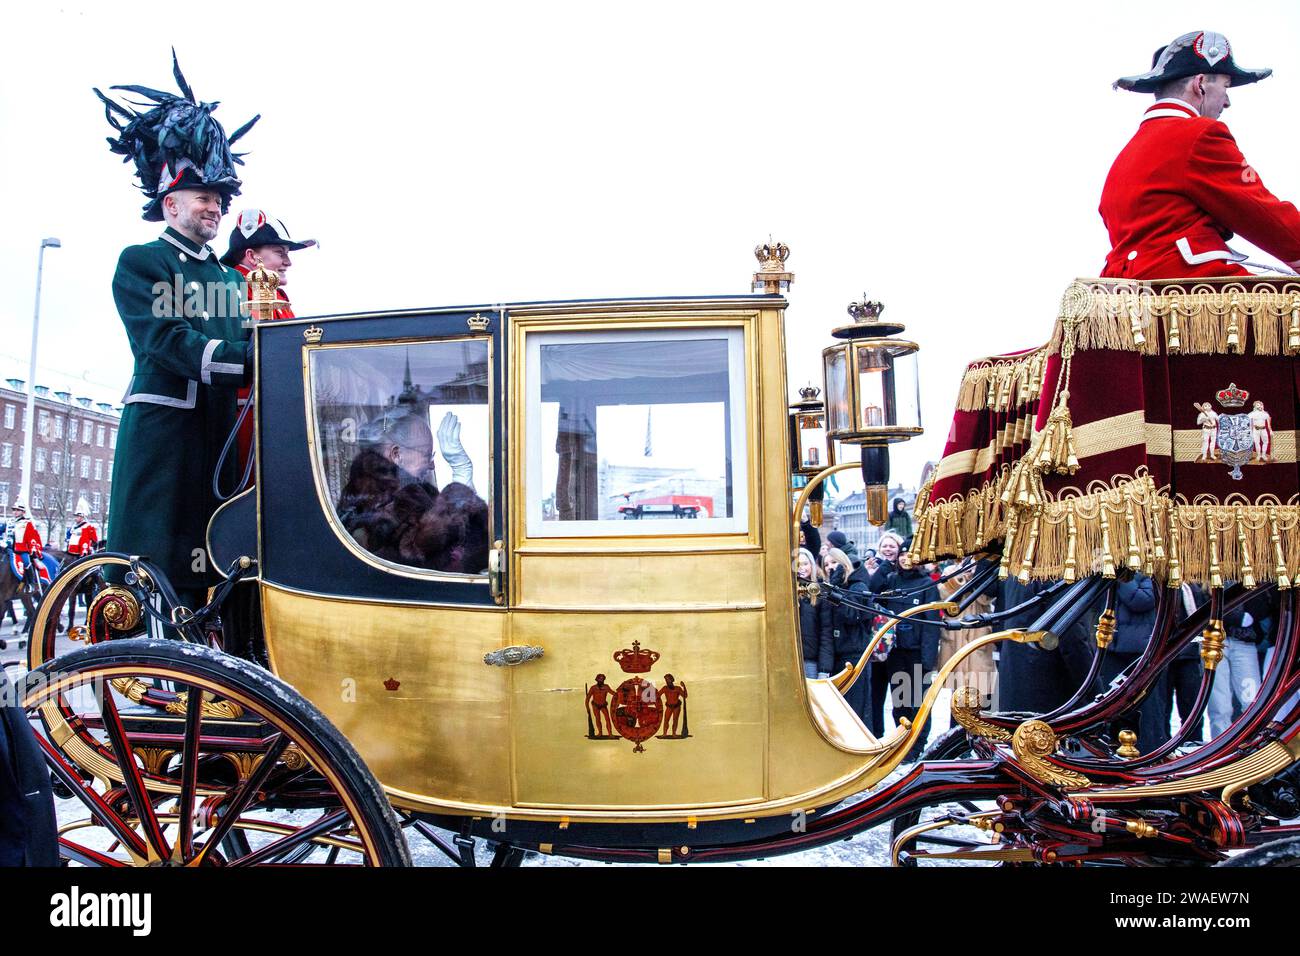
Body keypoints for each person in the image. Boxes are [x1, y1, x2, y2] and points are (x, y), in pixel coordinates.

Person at [95, 56, 258, 618]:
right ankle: (141, 671)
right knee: (152, 562)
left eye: (219, 197)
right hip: (164, 435)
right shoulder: (143, 261)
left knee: (208, 560)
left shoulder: (225, 279)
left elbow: (248, 341)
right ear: (171, 202)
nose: (214, 205)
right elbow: (166, 340)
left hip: (217, 433)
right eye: (202, 196)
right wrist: (249, 361)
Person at [1102, 31, 1300, 279]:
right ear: (1200, 84)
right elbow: (1262, 211)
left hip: (1124, 286)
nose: (1227, 102)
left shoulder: (1129, 152)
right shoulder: (1200, 135)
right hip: (1183, 281)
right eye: (1226, 87)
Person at [336, 407, 489, 573]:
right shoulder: (385, 506)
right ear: (396, 455)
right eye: (426, 455)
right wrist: (461, 479)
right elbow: (437, 556)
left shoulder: (391, 495)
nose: (432, 465)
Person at [221, 209, 318, 472]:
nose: (288, 262)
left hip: (267, 413)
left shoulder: (270, 292)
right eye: (280, 252)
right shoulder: (239, 289)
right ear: (252, 256)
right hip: (248, 418)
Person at [796, 548, 833, 679]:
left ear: (811, 565)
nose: (802, 568)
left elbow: (826, 632)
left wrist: (824, 669)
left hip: (811, 660)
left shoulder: (820, 593)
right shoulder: (786, 591)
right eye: (797, 564)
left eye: (805, 564)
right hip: (789, 658)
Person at [6, 500, 43, 592]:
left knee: (26, 562)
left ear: (23, 512)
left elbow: (32, 538)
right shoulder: (9, 522)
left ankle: (30, 583)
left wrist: (33, 551)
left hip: (21, 550)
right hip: (8, 548)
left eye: (18, 510)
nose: (15, 512)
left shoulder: (27, 523)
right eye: (14, 510)